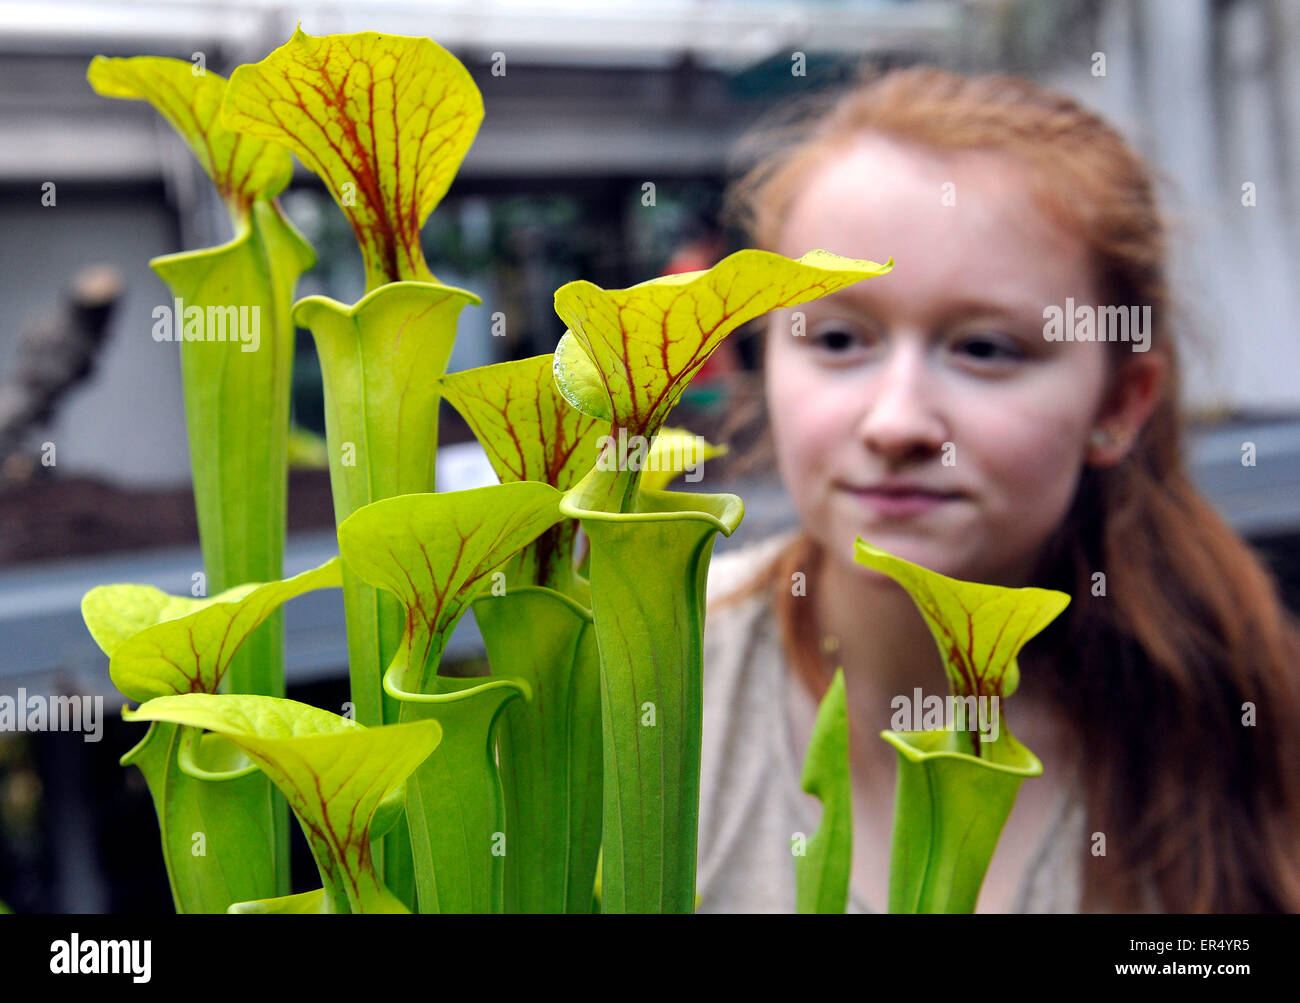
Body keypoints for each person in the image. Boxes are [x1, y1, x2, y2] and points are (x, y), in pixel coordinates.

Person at [695, 65, 1300, 913]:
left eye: (985, 348)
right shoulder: (656, 687)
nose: (897, 421)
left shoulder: (1233, 716)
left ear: (1119, 404)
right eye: (836, 337)